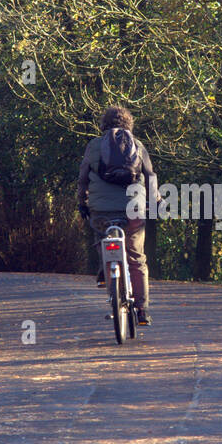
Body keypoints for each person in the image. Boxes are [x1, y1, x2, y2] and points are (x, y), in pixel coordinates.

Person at [78, 105, 157, 324]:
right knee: (136, 258)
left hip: (101, 210)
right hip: (133, 210)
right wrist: (156, 200)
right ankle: (142, 310)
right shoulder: (138, 146)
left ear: (104, 124)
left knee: (100, 234)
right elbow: (150, 176)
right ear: (129, 124)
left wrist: (82, 202)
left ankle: (105, 267)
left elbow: (83, 178)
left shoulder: (94, 146)